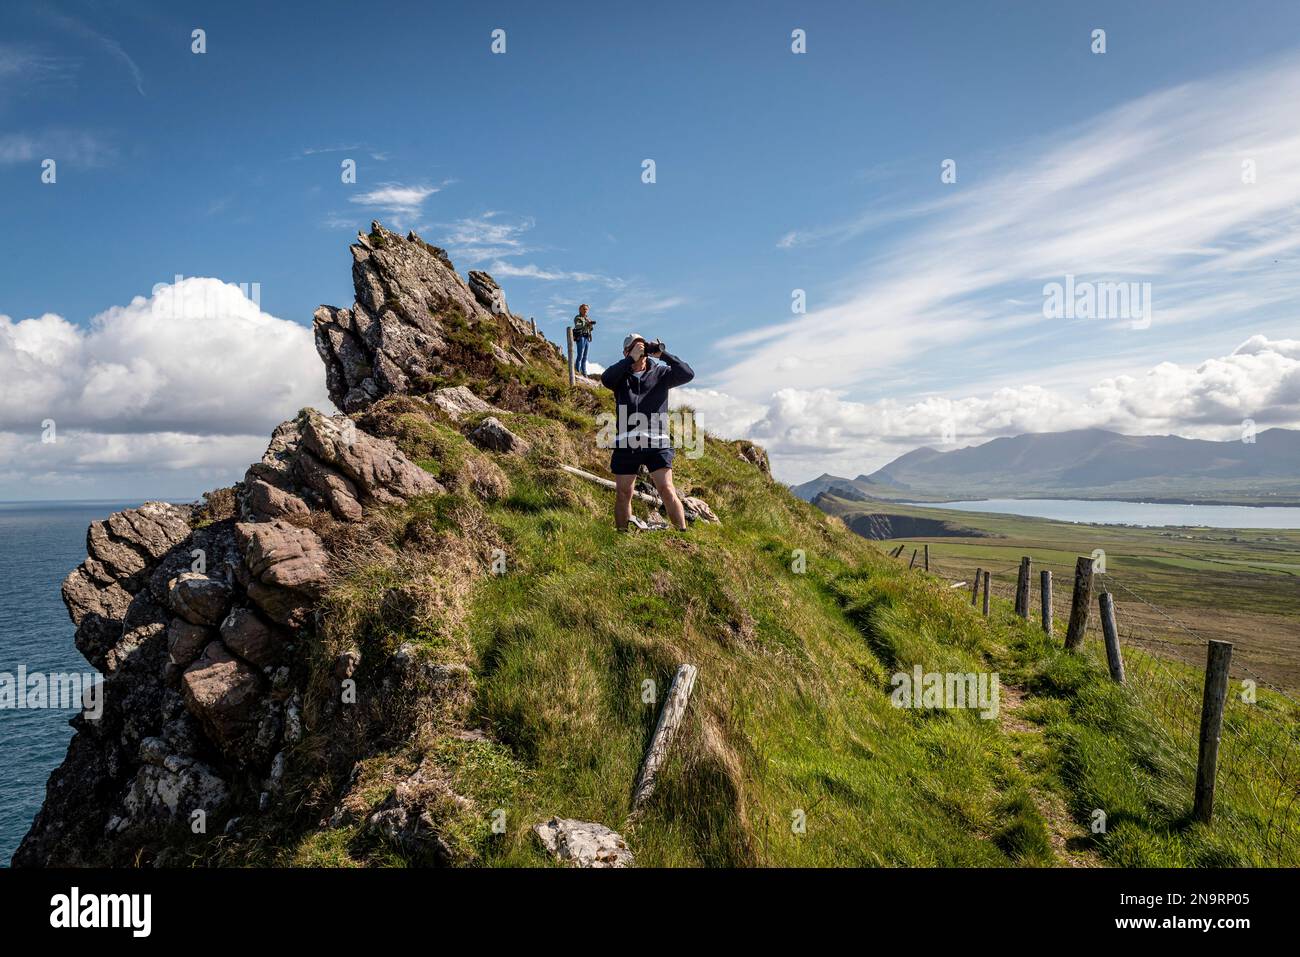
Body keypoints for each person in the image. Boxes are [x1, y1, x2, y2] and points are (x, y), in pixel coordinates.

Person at [599, 333, 694, 531]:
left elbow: (687, 373)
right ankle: (621, 535)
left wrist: (663, 354)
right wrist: (629, 360)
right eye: (635, 348)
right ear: (626, 352)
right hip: (627, 442)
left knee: (667, 489)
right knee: (624, 492)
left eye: (642, 348)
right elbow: (606, 379)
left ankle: (683, 537)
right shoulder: (620, 376)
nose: (640, 352)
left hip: (657, 442)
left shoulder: (660, 373)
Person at [572, 304, 595, 376]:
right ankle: (577, 371)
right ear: (580, 310)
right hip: (580, 336)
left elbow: (591, 329)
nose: (585, 311)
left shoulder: (588, 318)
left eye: (586, 309)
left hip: (586, 337)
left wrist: (590, 324)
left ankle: (584, 372)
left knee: (585, 356)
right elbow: (578, 325)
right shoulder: (578, 317)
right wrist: (586, 323)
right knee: (580, 355)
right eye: (584, 309)